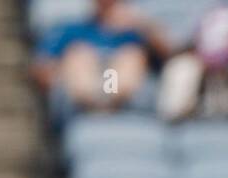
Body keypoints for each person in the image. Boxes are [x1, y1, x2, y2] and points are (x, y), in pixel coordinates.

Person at [32, 0, 175, 113]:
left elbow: (169, 58)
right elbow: (43, 68)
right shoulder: (71, 29)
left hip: (123, 91)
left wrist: (142, 25)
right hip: (82, 91)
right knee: (80, 55)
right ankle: (96, 101)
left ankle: (108, 101)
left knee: (130, 56)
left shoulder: (136, 33)